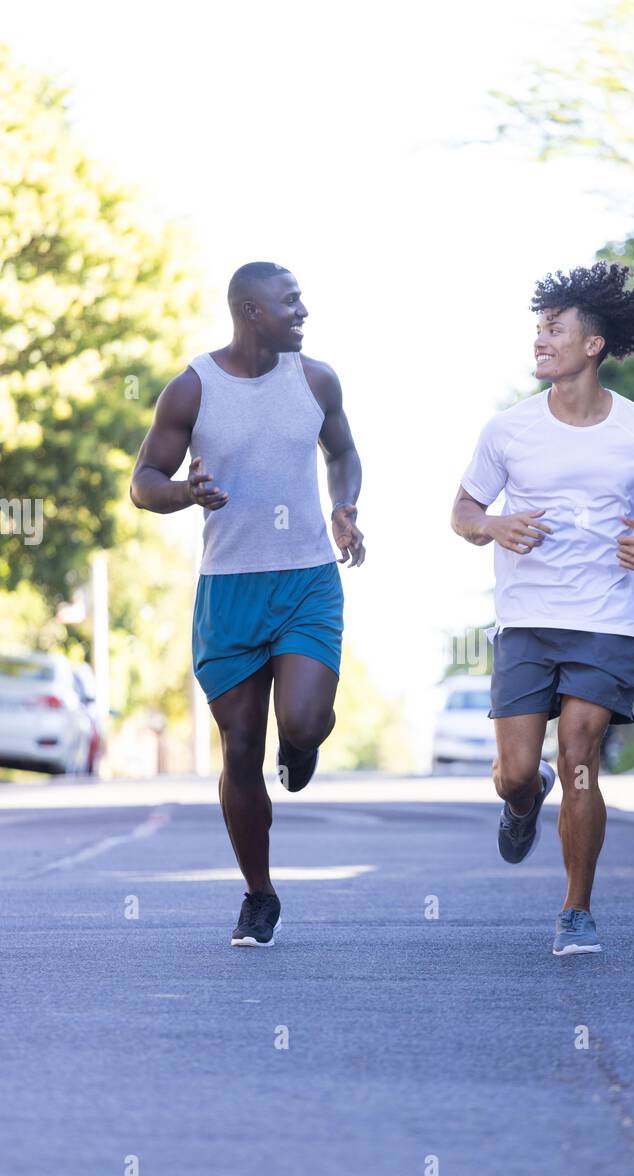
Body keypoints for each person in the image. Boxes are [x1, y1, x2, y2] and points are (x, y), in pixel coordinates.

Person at [451, 261, 634, 957]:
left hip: (603, 619)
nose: (540, 340)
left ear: (591, 344)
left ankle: (575, 909)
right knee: (514, 770)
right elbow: (463, 510)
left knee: (580, 755)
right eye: (538, 328)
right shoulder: (508, 431)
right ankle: (519, 800)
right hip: (526, 621)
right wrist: (493, 527)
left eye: (554, 329)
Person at [130, 262, 364, 947]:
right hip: (228, 587)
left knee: (302, 719)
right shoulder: (191, 389)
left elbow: (343, 451)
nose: (303, 311)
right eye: (290, 302)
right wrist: (185, 494)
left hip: (305, 579)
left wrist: (344, 507)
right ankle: (259, 894)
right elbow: (144, 482)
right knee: (238, 751)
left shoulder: (316, 379)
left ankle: (302, 742)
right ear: (251, 312)